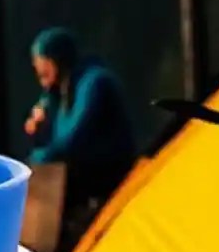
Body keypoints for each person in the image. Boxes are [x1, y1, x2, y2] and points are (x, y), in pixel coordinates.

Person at [24, 27, 137, 210]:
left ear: (54, 60)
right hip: (83, 175)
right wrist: (39, 128)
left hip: (108, 177)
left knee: (40, 175)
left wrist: (37, 158)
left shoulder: (94, 83)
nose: (37, 67)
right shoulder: (60, 93)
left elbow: (72, 140)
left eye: (40, 61)